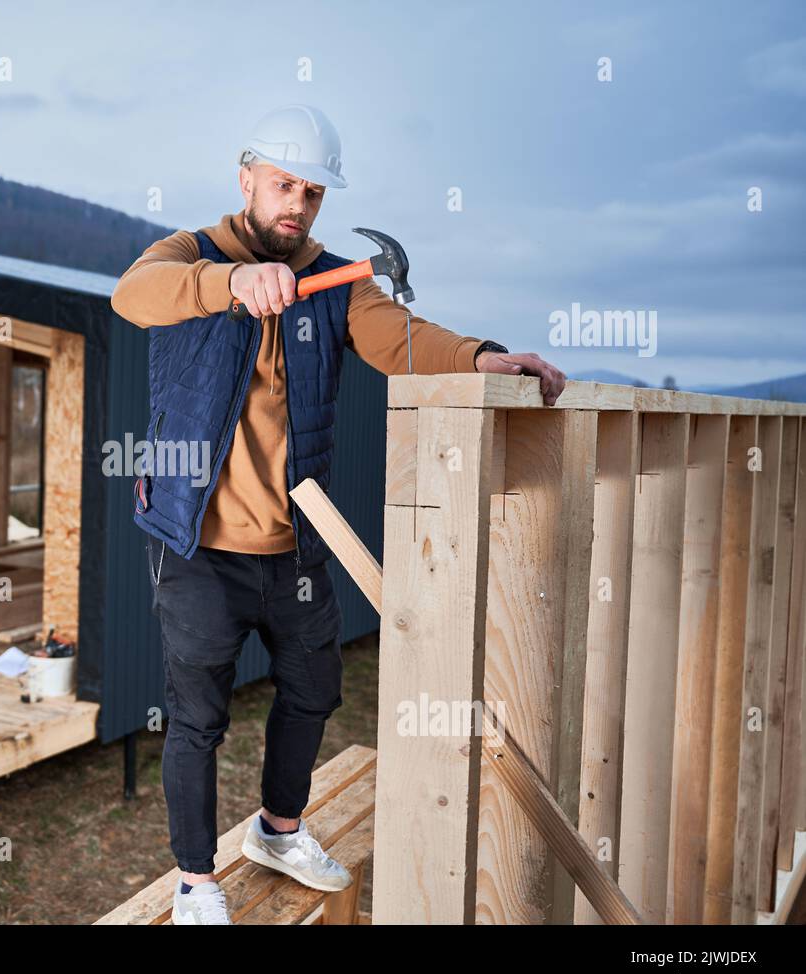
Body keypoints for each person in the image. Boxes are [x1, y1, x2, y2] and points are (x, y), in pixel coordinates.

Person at [110, 104, 565, 925]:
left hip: (294, 542)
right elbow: (132, 296)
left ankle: (279, 831)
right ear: (245, 176)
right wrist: (232, 283)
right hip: (198, 542)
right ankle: (194, 881)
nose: (297, 204)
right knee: (198, 715)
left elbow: (405, 339)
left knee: (315, 687)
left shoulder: (336, 282)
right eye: (284, 184)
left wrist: (483, 357)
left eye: (312, 192)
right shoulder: (189, 257)